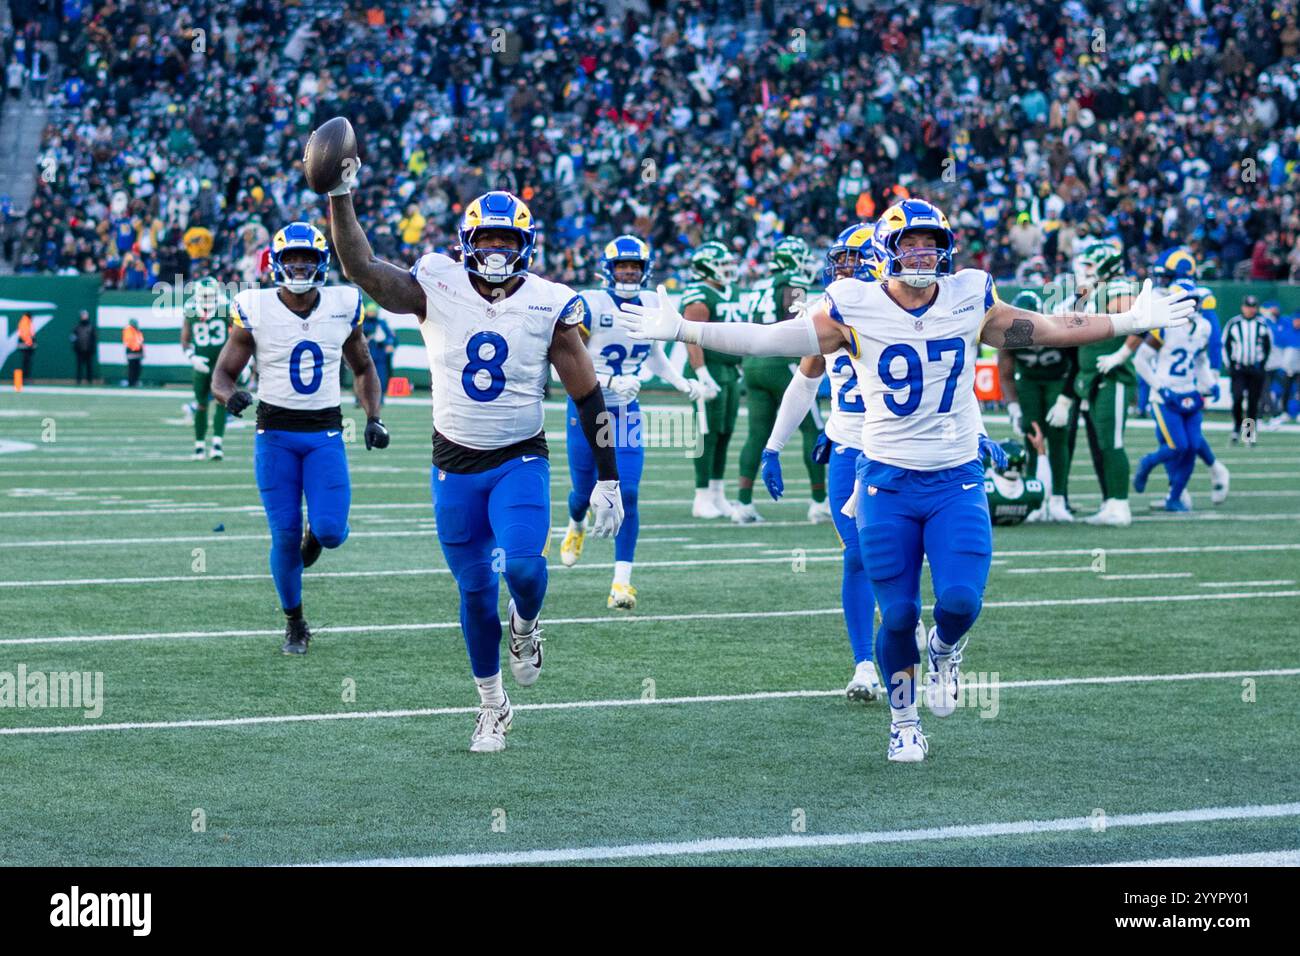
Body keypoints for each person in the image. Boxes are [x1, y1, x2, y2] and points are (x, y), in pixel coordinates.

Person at [624, 197, 1194, 763]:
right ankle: (904, 722)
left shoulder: (971, 296)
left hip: (954, 477)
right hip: (885, 480)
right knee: (897, 614)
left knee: (961, 601)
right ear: (887, 249)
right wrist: (684, 329)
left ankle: (944, 649)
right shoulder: (853, 304)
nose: (922, 253)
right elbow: (768, 339)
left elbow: (1046, 329)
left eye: (931, 243)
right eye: (910, 242)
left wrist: (1129, 321)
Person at [327, 171, 624, 754]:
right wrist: (340, 193)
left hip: (519, 459)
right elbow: (360, 266)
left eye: (506, 241)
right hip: (453, 465)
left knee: (523, 571)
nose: (495, 250)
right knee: (474, 592)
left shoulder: (549, 302)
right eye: (486, 239)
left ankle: (526, 626)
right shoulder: (436, 282)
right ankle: (492, 706)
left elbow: (588, 395)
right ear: (467, 242)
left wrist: (608, 476)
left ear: (525, 246)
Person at [211, 222, 390, 656]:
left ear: (321, 263)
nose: (298, 266)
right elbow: (222, 375)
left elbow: (363, 367)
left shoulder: (343, 305)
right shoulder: (254, 307)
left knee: (330, 532)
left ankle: (317, 534)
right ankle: (295, 622)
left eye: (306, 258)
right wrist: (230, 397)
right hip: (274, 435)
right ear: (276, 263)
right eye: (290, 258)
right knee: (284, 535)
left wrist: (373, 417)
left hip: (324, 433)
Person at [560, 234, 715, 608]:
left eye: (635, 266)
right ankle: (576, 524)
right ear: (608, 269)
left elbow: (655, 354)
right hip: (586, 408)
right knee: (583, 493)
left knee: (627, 492)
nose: (629, 272)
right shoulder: (590, 304)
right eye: (622, 266)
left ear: (645, 270)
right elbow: (564, 361)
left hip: (626, 411)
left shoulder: (650, 303)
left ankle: (621, 582)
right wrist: (609, 381)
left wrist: (681, 383)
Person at [734, 236, 829, 525]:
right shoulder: (793, 281)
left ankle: (743, 503)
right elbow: (798, 319)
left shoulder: (758, 284)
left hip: (752, 363)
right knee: (813, 428)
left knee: (756, 434)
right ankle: (819, 501)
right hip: (780, 362)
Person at [1131, 284, 1218, 511]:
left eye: (1194, 300)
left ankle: (1174, 498)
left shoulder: (1204, 327)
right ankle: (1147, 463)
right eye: (1187, 300)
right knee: (1177, 446)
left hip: (1190, 392)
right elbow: (1140, 360)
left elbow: (1200, 361)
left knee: (1193, 447)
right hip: (1166, 396)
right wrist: (1160, 388)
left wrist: (1210, 383)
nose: (1192, 306)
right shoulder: (1165, 326)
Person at [996, 289, 1076, 522]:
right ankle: (1034, 498)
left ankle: (1058, 499)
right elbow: (1006, 375)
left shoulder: (1057, 326)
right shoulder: (1009, 334)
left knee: (1059, 436)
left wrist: (1065, 400)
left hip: (1057, 379)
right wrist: (1013, 408)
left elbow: (1077, 365)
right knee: (1031, 436)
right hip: (1029, 382)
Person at [680, 241, 746, 519]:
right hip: (708, 370)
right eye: (721, 264)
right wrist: (702, 373)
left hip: (729, 370)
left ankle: (718, 493)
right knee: (706, 434)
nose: (727, 269)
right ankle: (701, 495)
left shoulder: (732, 291)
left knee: (725, 432)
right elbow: (691, 337)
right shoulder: (699, 295)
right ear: (704, 267)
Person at [181, 278, 231, 460]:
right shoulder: (191, 310)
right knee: (201, 404)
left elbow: (238, 336)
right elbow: (185, 339)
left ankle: (217, 444)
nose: (208, 299)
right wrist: (192, 357)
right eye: (204, 296)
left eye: (211, 296)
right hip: (201, 364)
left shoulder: (226, 309)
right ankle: (199, 446)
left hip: (221, 364)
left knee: (221, 402)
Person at [1221, 294, 1272, 445]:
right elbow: (1225, 345)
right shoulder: (1234, 323)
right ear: (1243, 307)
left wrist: (1262, 366)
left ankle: (1248, 434)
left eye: (1253, 307)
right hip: (1239, 368)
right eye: (1248, 306)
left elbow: (1268, 346)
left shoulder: (1262, 324)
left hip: (1255, 369)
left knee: (1253, 402)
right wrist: (1230, 365)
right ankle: (1237, 427)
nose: (1250, 310)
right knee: (1237, 398)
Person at [360, 303, 395, 403]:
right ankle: (361, 399)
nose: (372, 313)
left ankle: (380, 399)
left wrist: (389, 343)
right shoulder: (362, 324)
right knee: (364, 377)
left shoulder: (381, 324)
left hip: (380, 355)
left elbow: (391, 336)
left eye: (373, 312)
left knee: (381, 377)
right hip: (366, 354)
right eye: (370, 312)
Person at [69, 310, 96, 384]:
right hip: (79, 350)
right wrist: (75, 347)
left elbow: (93, 339)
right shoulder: (77, 327)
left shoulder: (91, 327)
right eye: (83, 315)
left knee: (89, 366)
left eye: (85, 315)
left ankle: (89, 380)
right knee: (79, 366)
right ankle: (78, 380)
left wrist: (92, 348)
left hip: (88, 350)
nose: (84, 317)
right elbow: (73, 338)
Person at [122, 318, 144, 387]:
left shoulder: (137, 331)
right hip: (132, 353)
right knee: (132, 369)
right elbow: (130, 341)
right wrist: (135, 348)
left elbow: (140, 341)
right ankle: (131, 382)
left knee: (137, 369)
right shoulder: (128, 330)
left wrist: (141, 352)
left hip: (137, 353)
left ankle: (135, 381)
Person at [16, 311, 35, 382]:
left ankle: (25, 378)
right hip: (25, 346)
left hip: (26, 345)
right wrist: (30, 344)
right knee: (26, 362)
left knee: (26, 362)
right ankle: (24, 378)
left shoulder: (26, 321)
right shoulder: (25, 322)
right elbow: (25, 335)